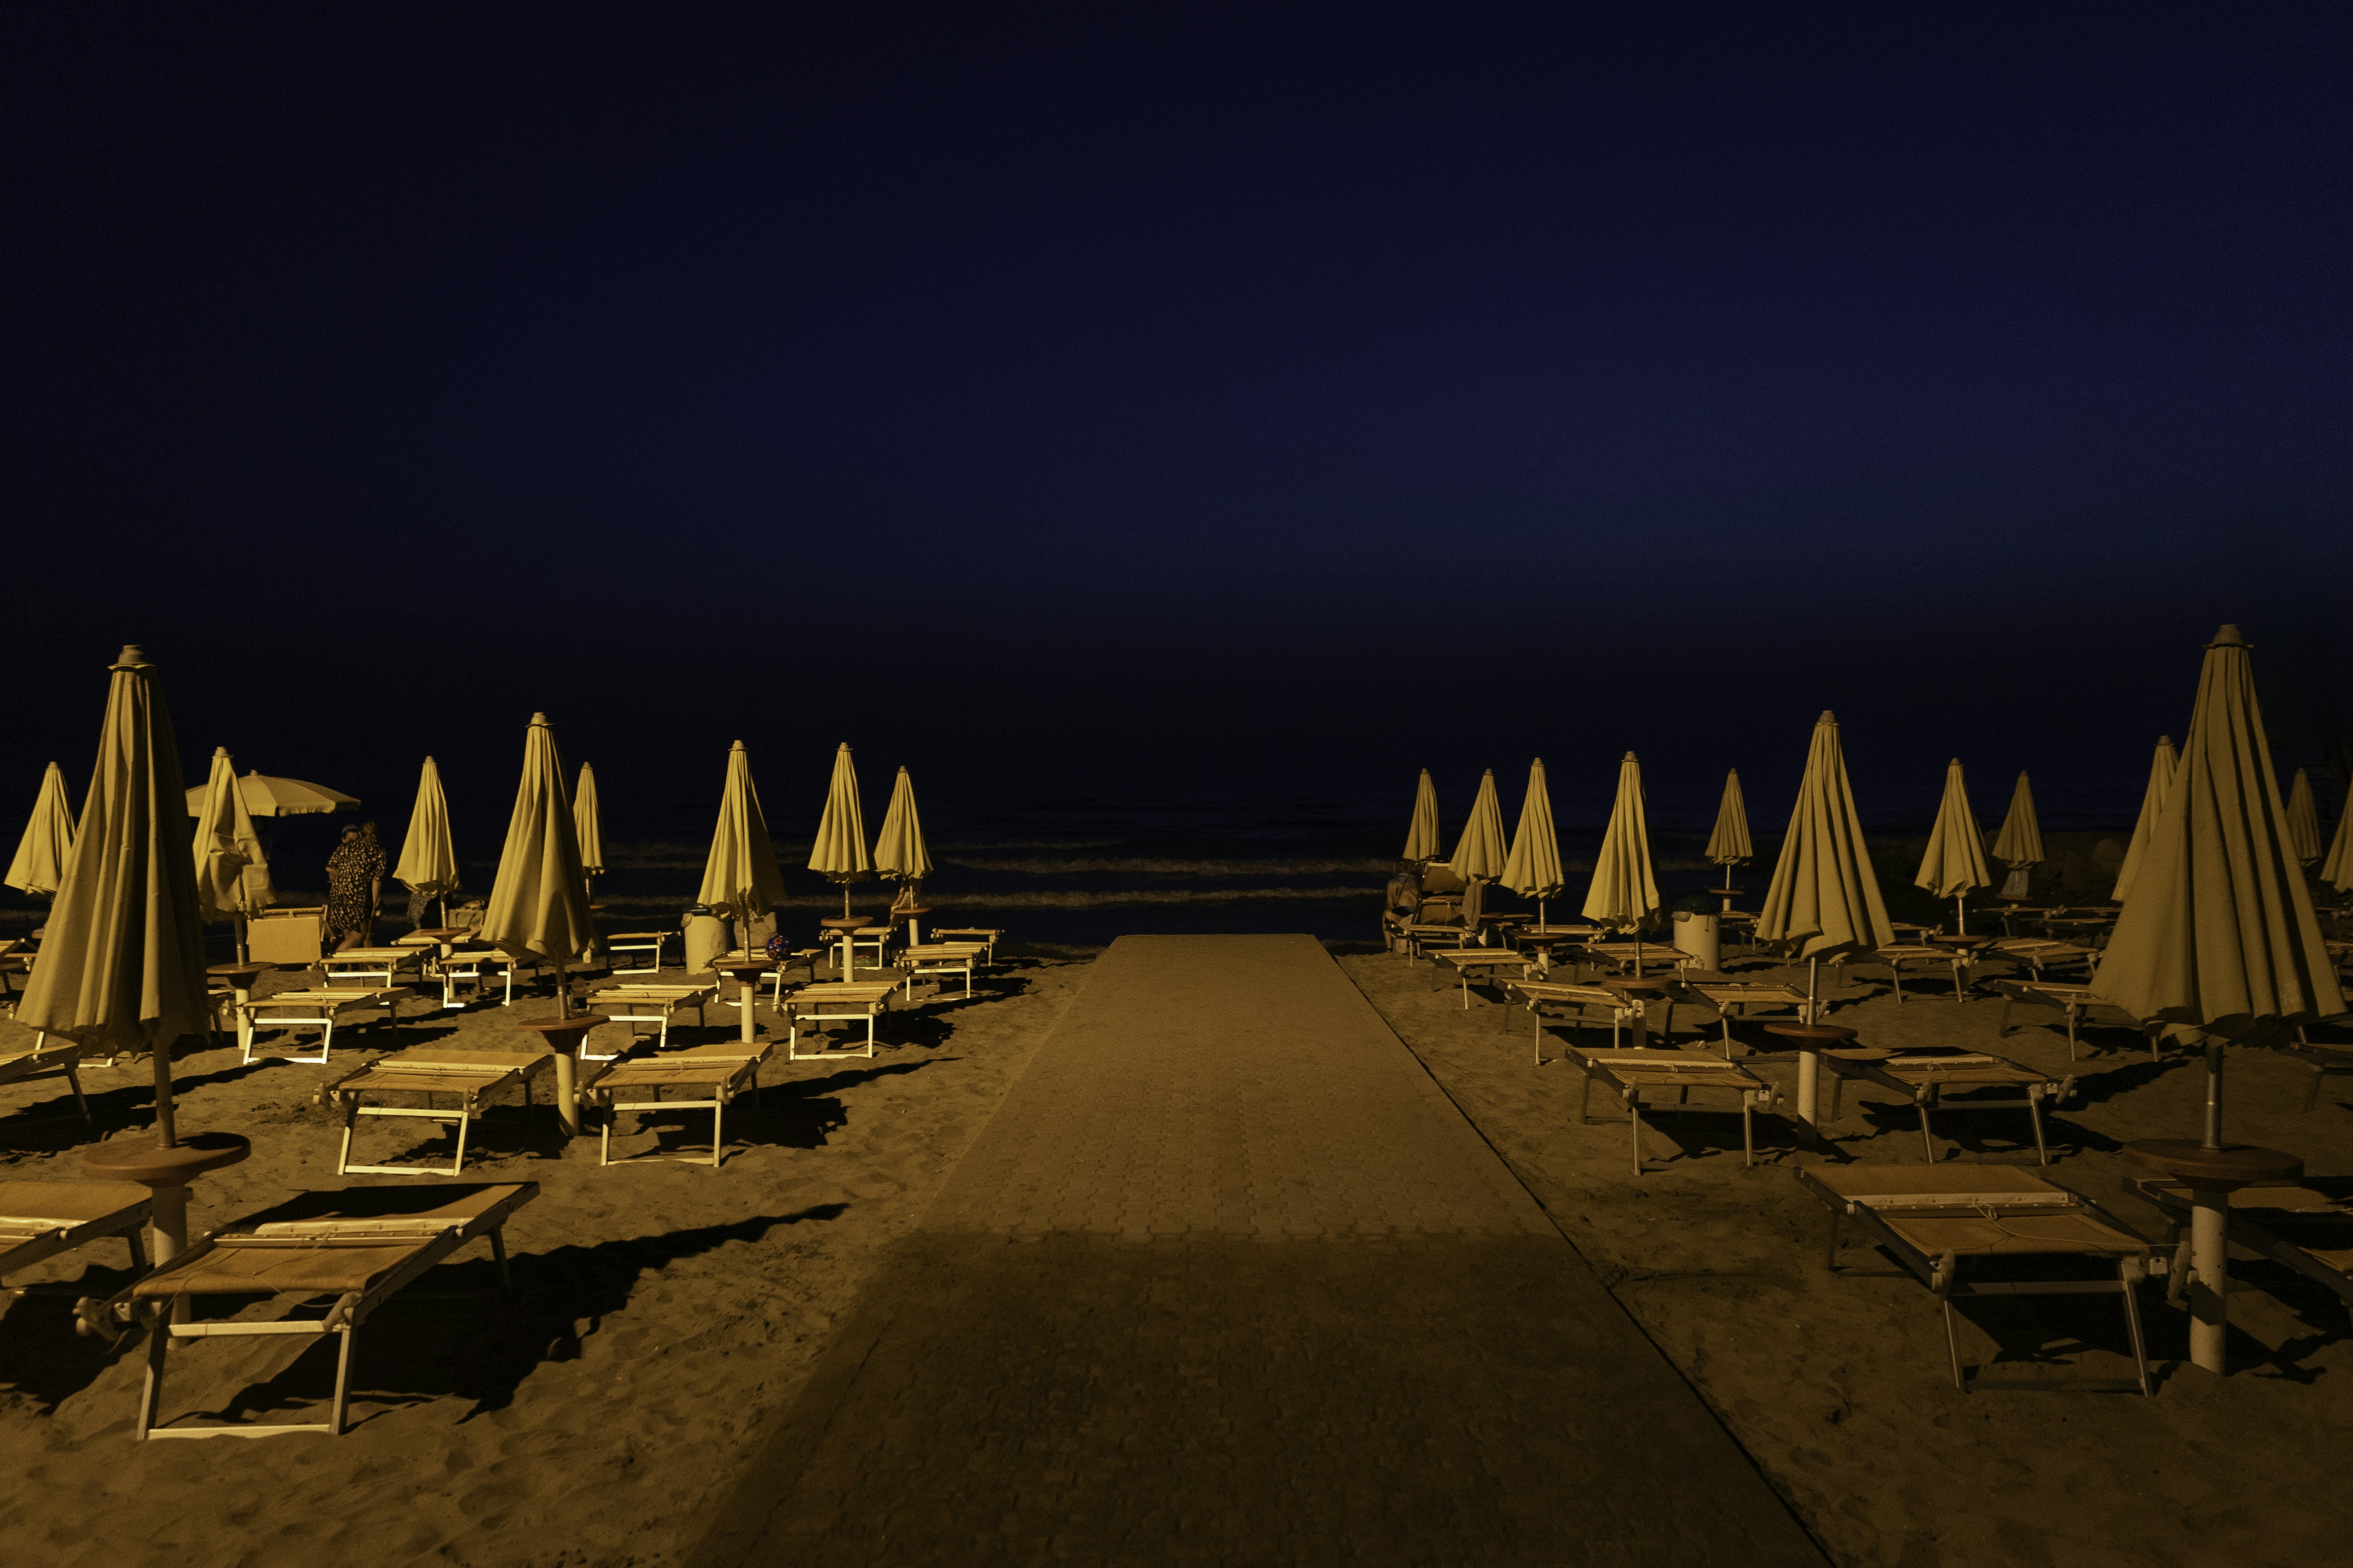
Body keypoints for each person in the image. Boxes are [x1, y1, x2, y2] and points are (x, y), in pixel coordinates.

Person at [325, 821, 386, 953]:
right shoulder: (378, 852)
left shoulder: (346, 847)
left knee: (351, 933)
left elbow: (329, 867)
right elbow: (377, 881)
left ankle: (355, 966)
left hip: (337, 894)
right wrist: (373, 906)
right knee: (360, 934)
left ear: (360, 834)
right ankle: (331, 962)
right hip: (357, 896)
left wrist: (342, 880)